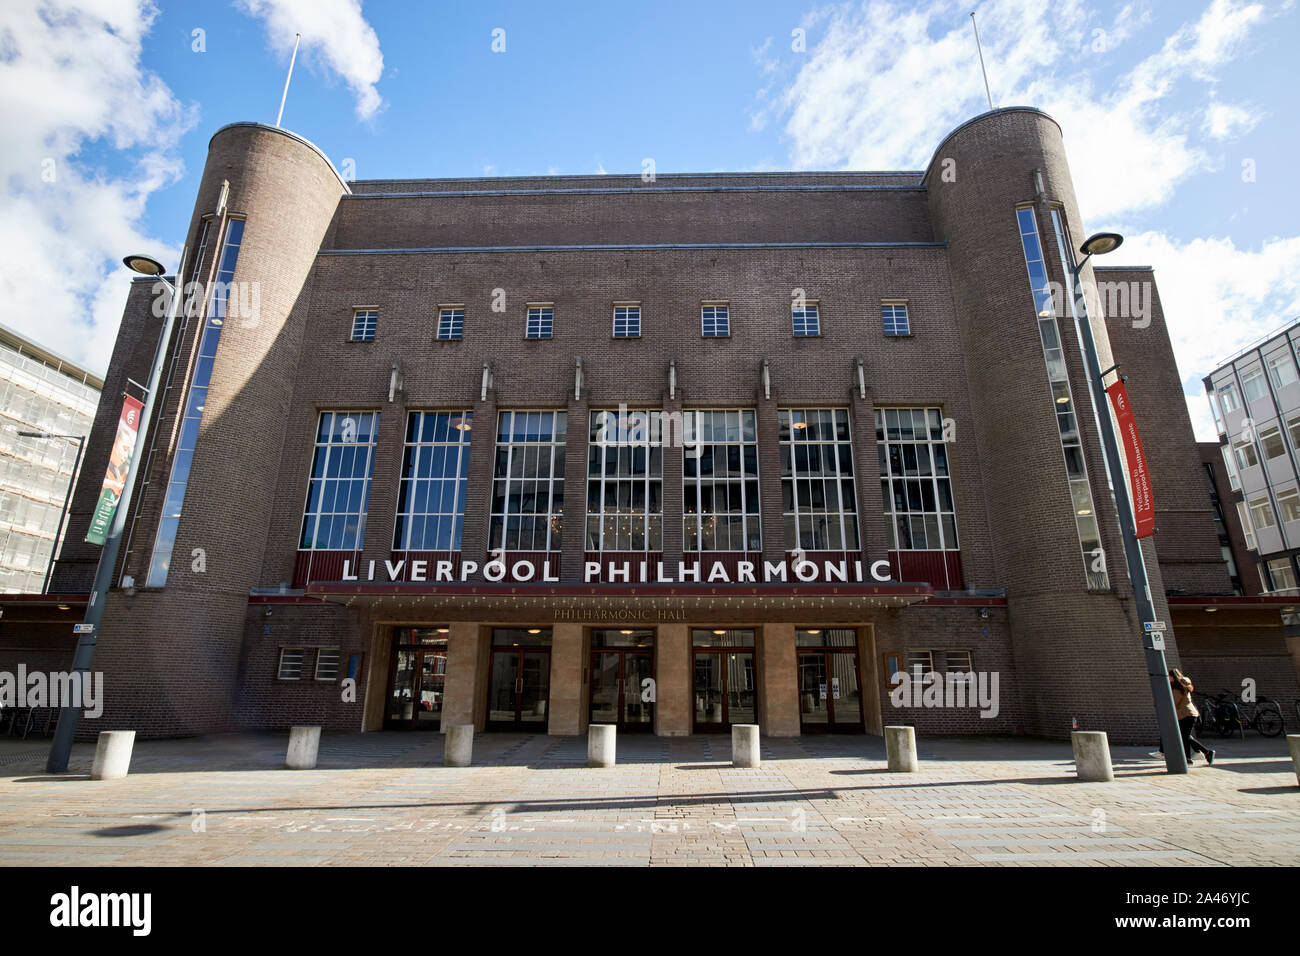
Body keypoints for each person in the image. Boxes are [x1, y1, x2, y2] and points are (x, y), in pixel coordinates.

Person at [1169, 668, 1214, 765]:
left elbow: (1174, 702)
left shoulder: (1177, 689)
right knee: (1185, 736)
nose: (1168, 679)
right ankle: (1188, 758)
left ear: (1173, 677)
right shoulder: (1183, 686)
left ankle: (1206, 752)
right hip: (1190, 714)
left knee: (1185, 736)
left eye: (1169, 677)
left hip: (1185, 714)